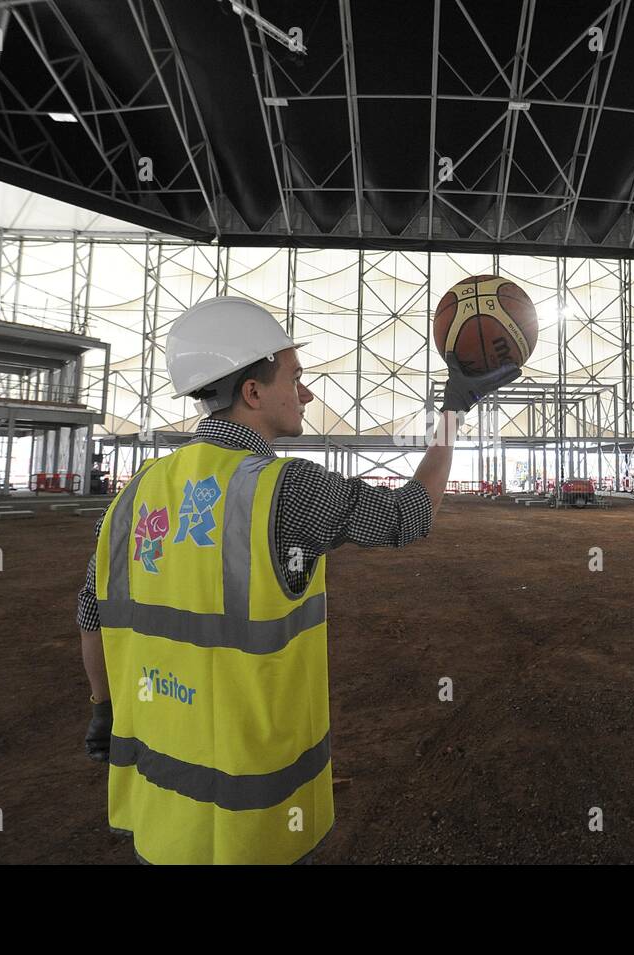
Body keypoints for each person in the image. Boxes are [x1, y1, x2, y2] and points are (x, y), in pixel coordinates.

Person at [75, 296, 519, 864]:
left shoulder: (134, 494)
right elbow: (412, 515)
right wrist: (454, 410)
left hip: (163, 817)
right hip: (257, 825)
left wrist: (104, 706)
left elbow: (93, 614)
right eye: (296, 377)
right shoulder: (285, 489)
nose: (306, 393)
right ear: (253, 393)